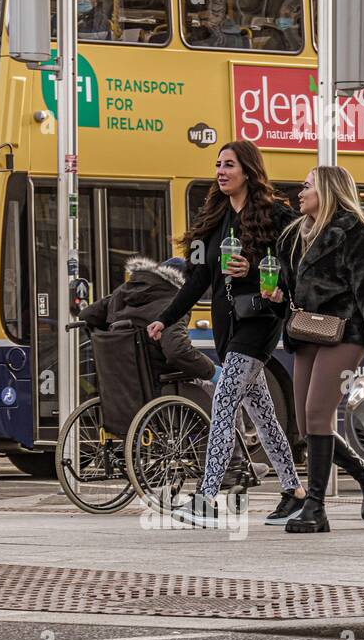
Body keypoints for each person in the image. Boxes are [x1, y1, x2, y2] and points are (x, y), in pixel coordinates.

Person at [148, 141, 304, 528]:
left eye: (229, 165)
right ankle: (295, 492)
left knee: (223, 403)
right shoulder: (212, 221)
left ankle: (206, 497)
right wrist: (165, 319)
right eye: (217, 164)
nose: (220, 171)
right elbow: (196, 278)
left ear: (247, 171)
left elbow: (294, 268)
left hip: (260, 322)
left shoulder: (276, 215)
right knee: (263, 415)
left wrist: (250, 270)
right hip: (228, 326)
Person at [265, 166, 364, 534]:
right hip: (306, 331)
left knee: (316, 412)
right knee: (306, 420)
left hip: (346, 332)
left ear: (327, 190)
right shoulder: (293, 237)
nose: (300, 191)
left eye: (307, 185)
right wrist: (276, 294)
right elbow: (288, 289)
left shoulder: (354, 234)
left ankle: (315, 507)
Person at [79, 255, 215, 383]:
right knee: (207, 387)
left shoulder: (122, 293)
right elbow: (176, 350)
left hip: (120, 375)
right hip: (156, 378)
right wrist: (211, 370)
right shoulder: (175, 304)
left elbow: (87, 316)